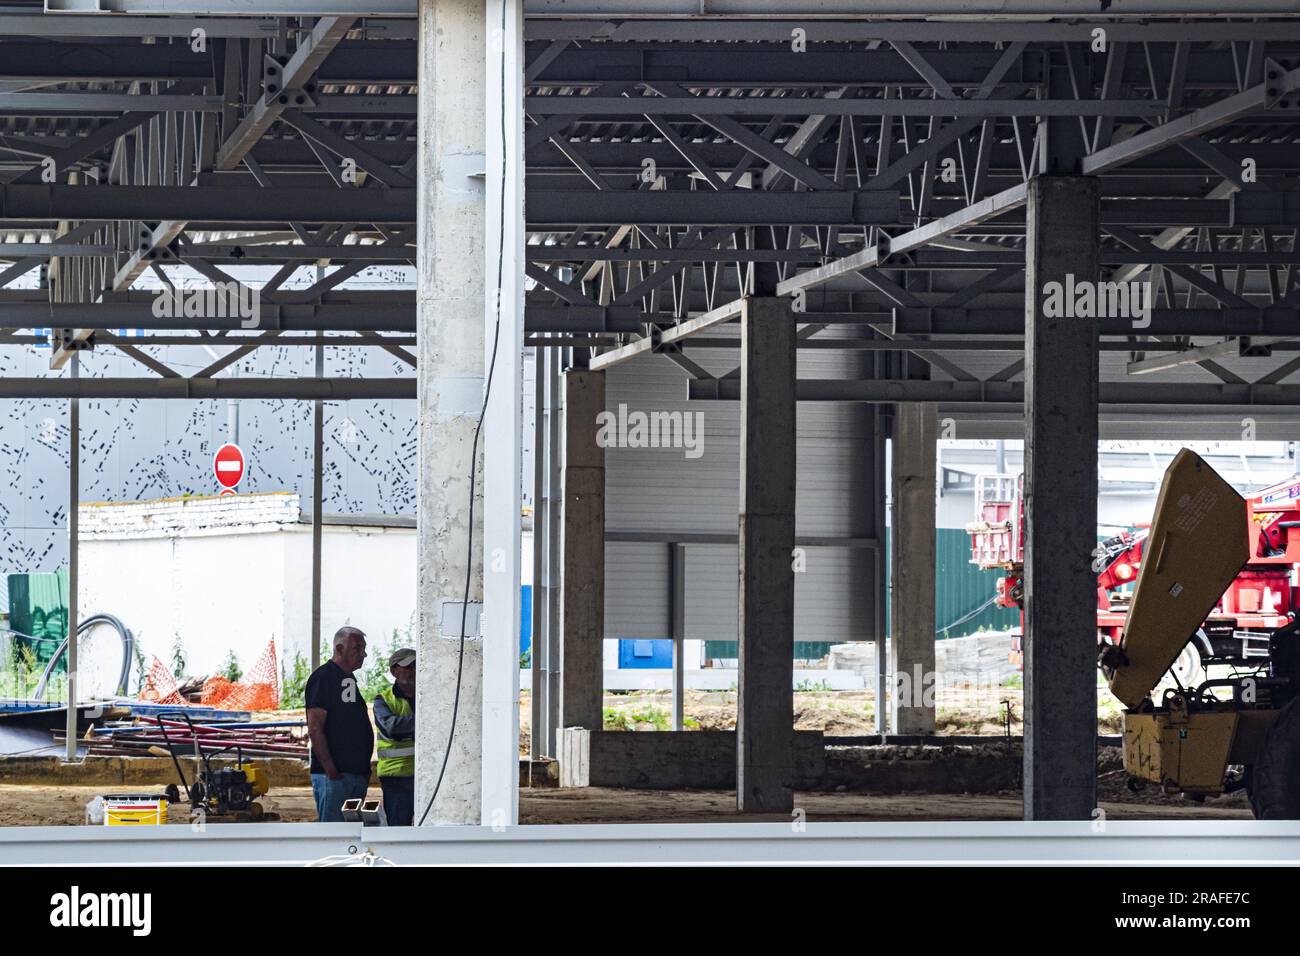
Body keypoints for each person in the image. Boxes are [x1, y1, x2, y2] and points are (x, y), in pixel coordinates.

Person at [305, 626, 374, 822]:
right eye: (357, 649)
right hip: (336, 777)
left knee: (351, 834)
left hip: (354, 773)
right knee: (334, 836)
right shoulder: (323, 678)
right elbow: (315, 728)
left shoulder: (348, 679)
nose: (364, 654)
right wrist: (331, 771)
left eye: (363, 649)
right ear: (340, 649)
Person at [373, 648, 416, 826]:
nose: (414, 670)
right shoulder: (383, 700)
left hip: (425, 773)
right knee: (399, 829)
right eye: (408, 666)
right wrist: (426, 722)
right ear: (394, 671)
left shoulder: (430, 696)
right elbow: (393, 728)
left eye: (416, 665)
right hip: (396, 776)